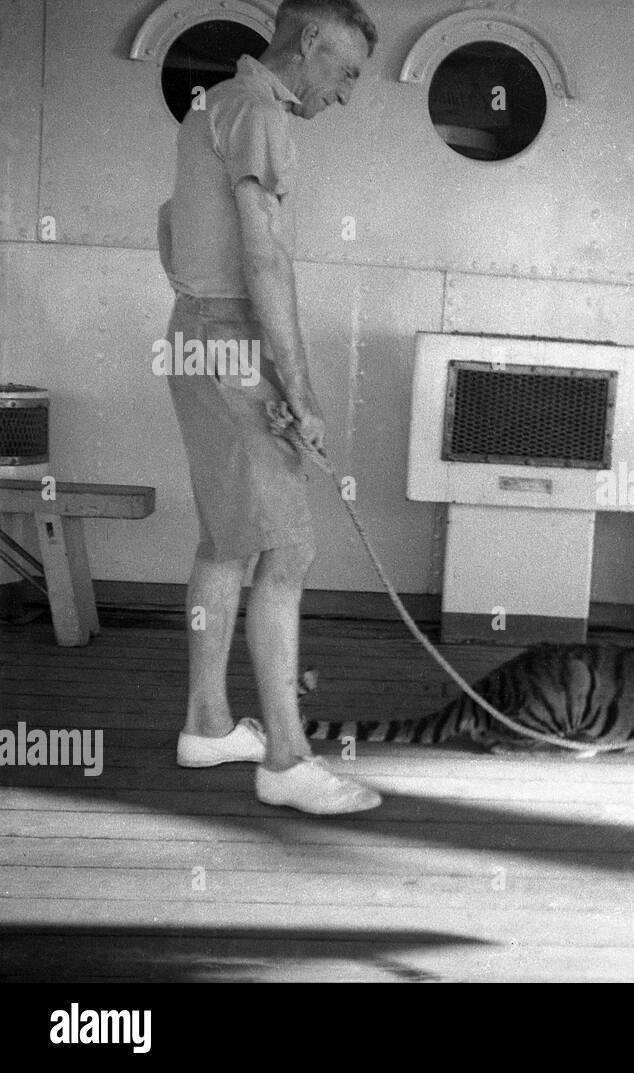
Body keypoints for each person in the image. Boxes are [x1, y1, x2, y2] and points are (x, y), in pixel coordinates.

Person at [157, 0, 381, 813]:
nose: (348, 93)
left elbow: (168, 226)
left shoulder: (213, 103)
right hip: (232, 344)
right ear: (310, 40)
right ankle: (287, 760)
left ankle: (208, 724)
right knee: (287, 551)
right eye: (347, 70)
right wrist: (297, 388)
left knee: (226, 540)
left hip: (195, 334)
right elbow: (265, 255)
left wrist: (203, 315)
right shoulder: (259, 113)